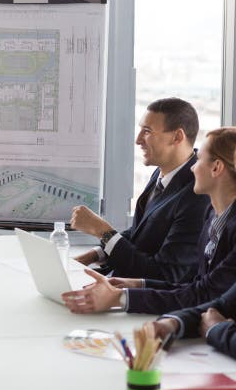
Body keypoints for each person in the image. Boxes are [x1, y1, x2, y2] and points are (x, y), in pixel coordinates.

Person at [62, 127, 236, 315]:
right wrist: (135, 284)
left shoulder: (198, 203)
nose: (194, 166)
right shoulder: (211, 213)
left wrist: (121, 297)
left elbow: (201, 292)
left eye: (200, 158)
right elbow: (195, 284)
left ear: (217, 167)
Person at [71, 98, 209, 282]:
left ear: (177, 137)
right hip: (117, 281)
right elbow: (141, 233)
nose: (138, 140)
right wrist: (95, 255)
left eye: (147, 131)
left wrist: (102, 231)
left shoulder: (198, 194)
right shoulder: (162, 172)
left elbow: (164, 274)